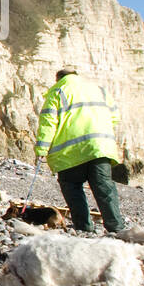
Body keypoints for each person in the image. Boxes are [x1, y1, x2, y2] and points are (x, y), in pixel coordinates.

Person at [35, 68, 127, 233]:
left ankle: (84, 228)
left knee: (72, 188)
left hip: (71, 153)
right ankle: (116, 228)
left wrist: (42, 149)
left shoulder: (57, 92)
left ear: (58, 78)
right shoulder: (98, 90)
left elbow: (48, 122)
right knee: (104, 188)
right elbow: (114, 117)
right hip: (99, 148)